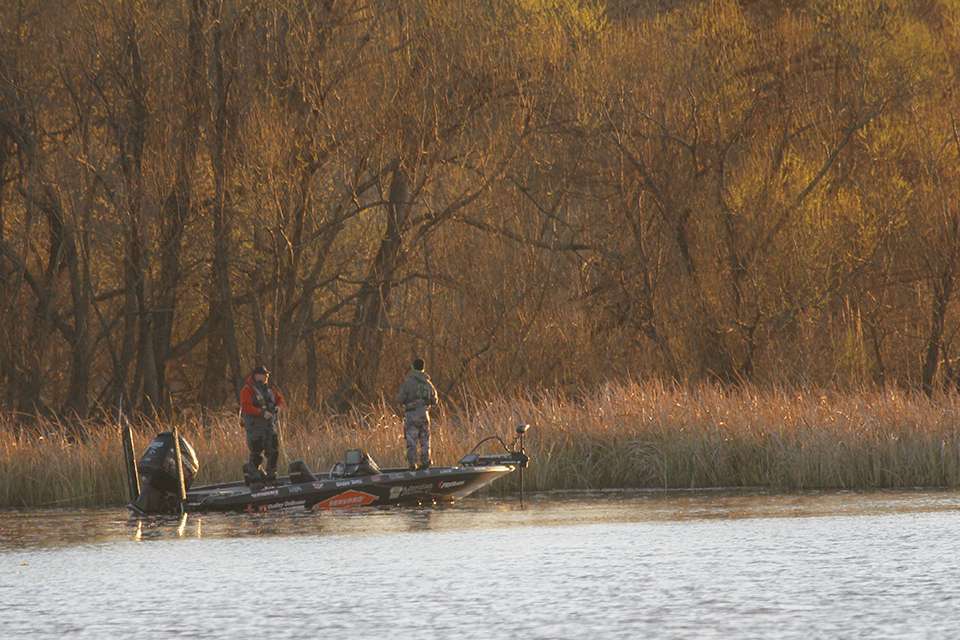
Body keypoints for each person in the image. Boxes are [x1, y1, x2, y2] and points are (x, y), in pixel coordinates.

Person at [240, 365, 285, 484]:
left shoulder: (270, 389)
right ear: (257, 375)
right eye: (264, 375)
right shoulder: (247, 389)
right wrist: (261, 413)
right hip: (255, 428)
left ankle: (271, 477)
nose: (266, 377)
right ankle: (254, 477)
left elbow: (280, 400)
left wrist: (277, 408)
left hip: (269, 426)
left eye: (267, 375)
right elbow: (246, 406)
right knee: (256, 453)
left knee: (274, 451)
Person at [396, 358, 438, 470]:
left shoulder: (408, 383)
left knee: (411, 441)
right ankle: (426, 462)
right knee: (425, 441)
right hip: (425, 415)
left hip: (411, 415)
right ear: (423, 368)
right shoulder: (428, 384)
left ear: (413, 367)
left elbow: (399, 399)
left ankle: (412, 464)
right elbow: (435, 400)